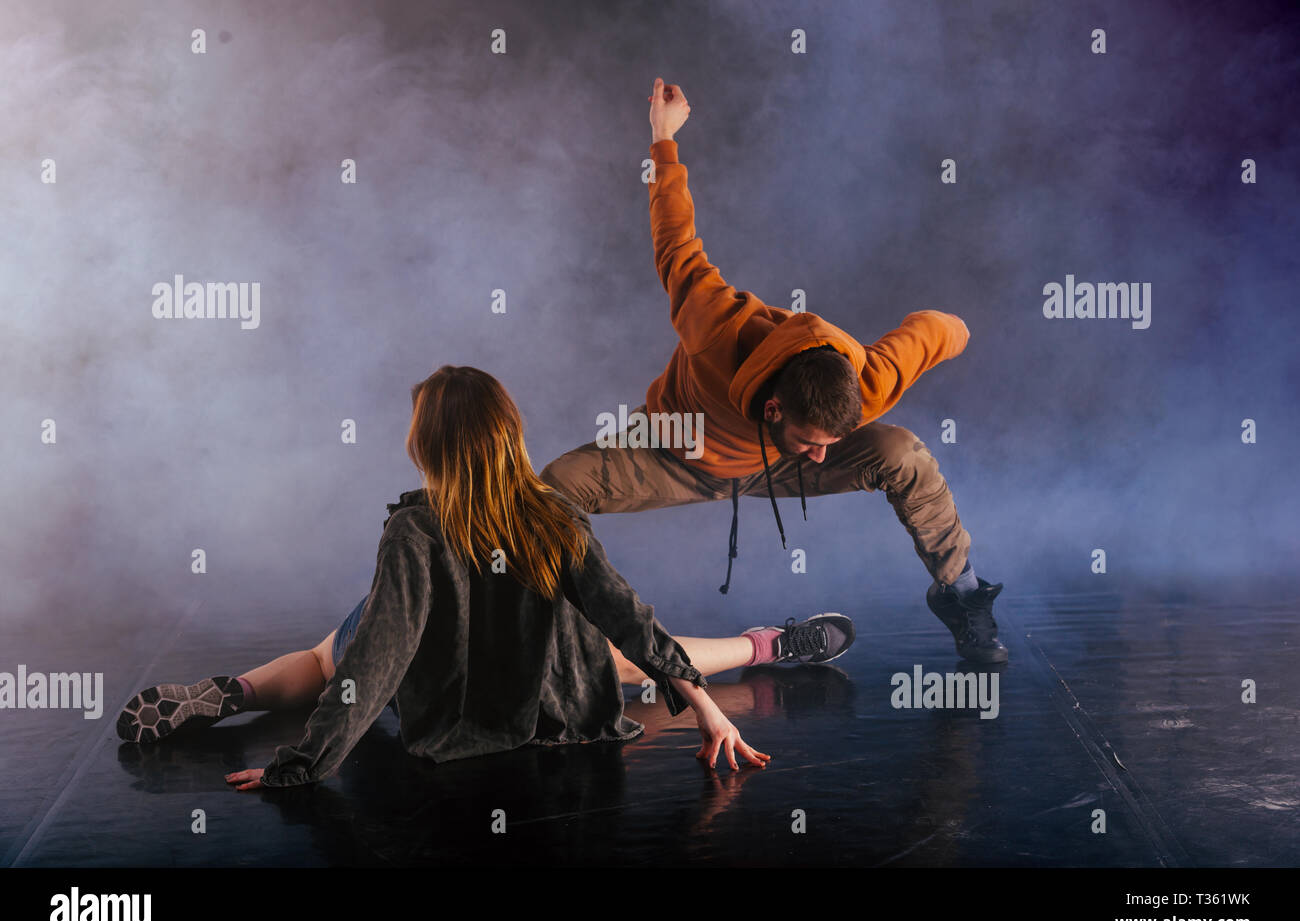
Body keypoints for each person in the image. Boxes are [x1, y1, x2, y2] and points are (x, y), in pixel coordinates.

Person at [115, 366, 856, 789]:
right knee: (619, 659)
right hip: (540, 684)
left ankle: (236, 691)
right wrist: (705, 708)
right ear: (509, 436)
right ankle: (769, 645)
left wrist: (303, 763)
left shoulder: (415, 530)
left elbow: (377, 657)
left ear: (427, 445)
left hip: (443, 691)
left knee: (324, 657)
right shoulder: (555, 513)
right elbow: (630, 614)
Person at [539, 77, 1007, 665]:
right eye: (813, 442)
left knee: (903, 453)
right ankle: (558, 626)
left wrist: (969, 326)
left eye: (827, 444)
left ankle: (961, 595)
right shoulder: (716, 325)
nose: (822, 455)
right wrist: (663, 137)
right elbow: (675, 239)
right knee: (552, 487)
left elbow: (935, 329)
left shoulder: (866, 385)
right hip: (671, 452)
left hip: (772, 469)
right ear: (773, 407)